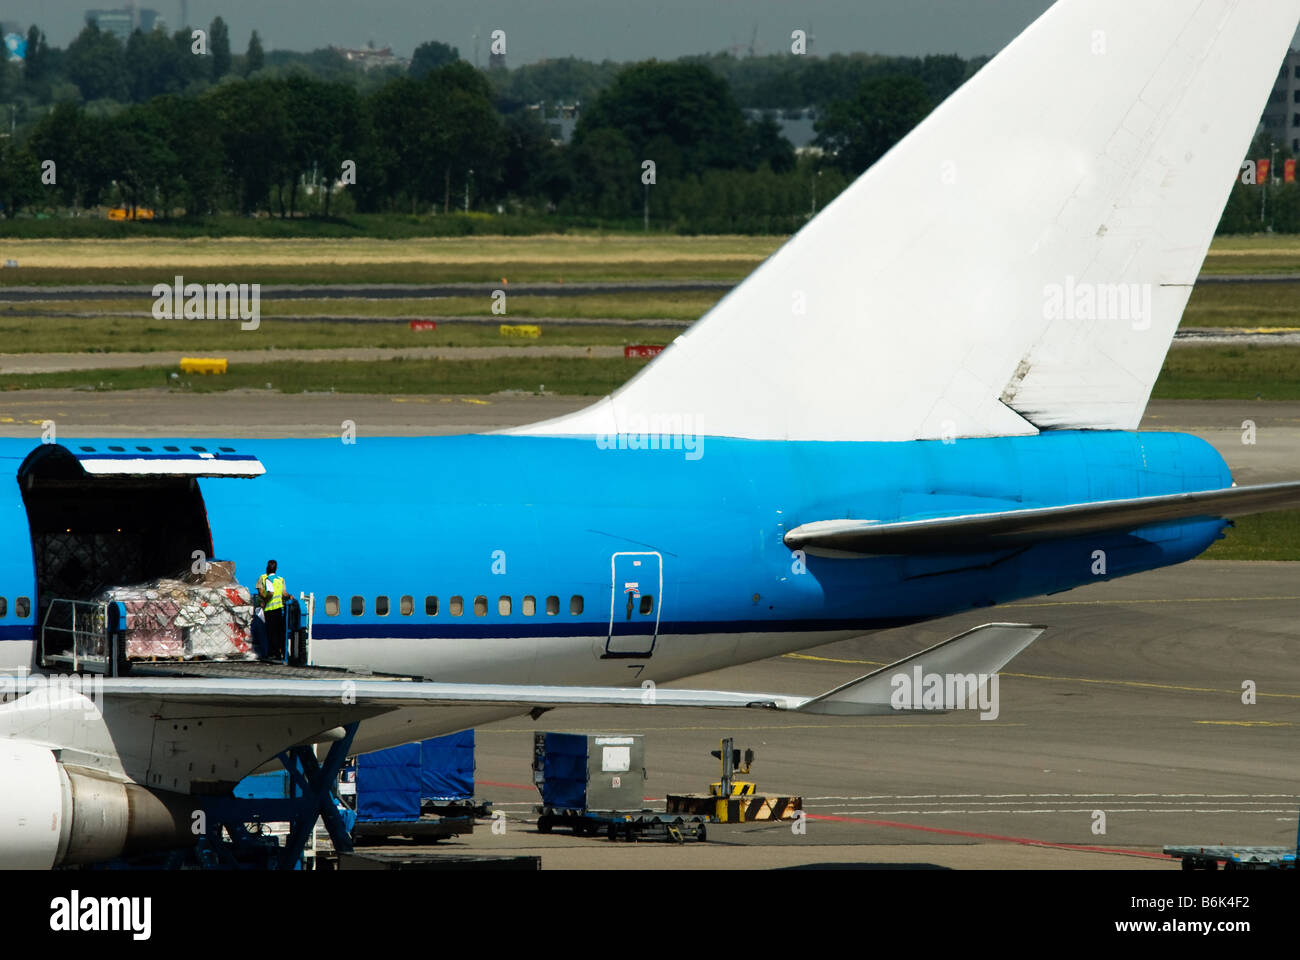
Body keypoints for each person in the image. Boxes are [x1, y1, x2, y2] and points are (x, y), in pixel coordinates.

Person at [257, 560, 287, 662]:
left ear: (267, 568)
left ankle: (274, 653)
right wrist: (290, 596)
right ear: (276, 569)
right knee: (278, 632)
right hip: (279, 608)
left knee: (271, 632)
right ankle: (281, 652)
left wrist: (264, 601)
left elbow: (265, 593)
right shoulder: (280, 579)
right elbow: (284, 593)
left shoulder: (266, 579)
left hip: (269, 608)